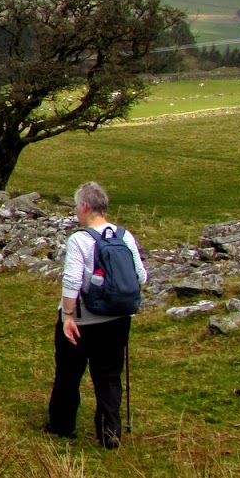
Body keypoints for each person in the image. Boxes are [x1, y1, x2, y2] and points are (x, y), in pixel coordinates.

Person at [46, 181, 147, 449]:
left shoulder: (80, 239)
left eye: (77, 206)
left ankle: (62, 425)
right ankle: (110, 433)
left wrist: (68, 315)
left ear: (85, 206)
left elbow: (71, 282)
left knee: (69, 373)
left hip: (82, 321)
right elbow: (141, 276)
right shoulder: (125, 236)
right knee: (109, 376)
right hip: (117, 320)